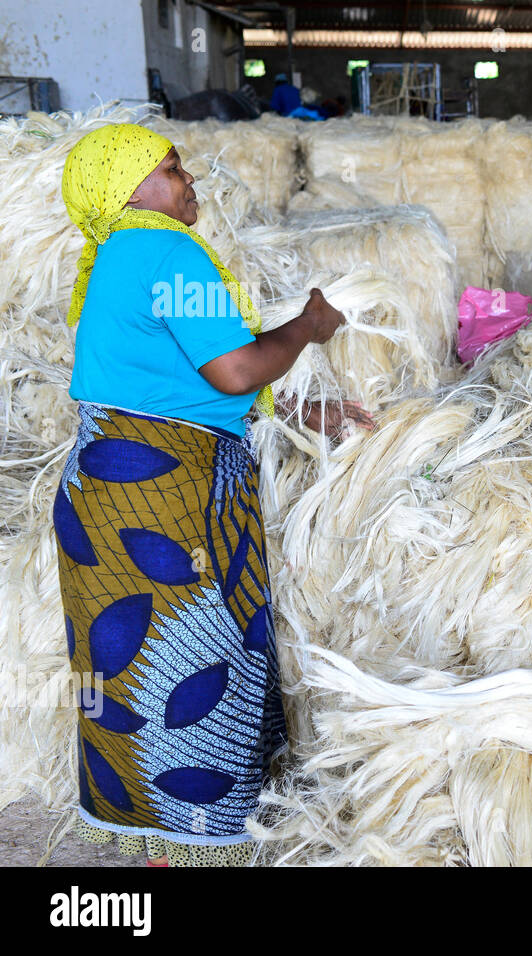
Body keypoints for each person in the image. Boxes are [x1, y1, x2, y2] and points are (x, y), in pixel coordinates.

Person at [57, 123, 373, 867]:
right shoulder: (165, 250)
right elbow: (232, 372)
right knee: (198, 665)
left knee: (116, 668)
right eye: (172, 168)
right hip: (168, 499)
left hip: (101, 496)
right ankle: (190, 849)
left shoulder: (114, 259)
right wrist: (309, 326)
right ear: (131, 191)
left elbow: (177, 380)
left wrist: (301, 412)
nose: (189, 178)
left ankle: (153, 847)